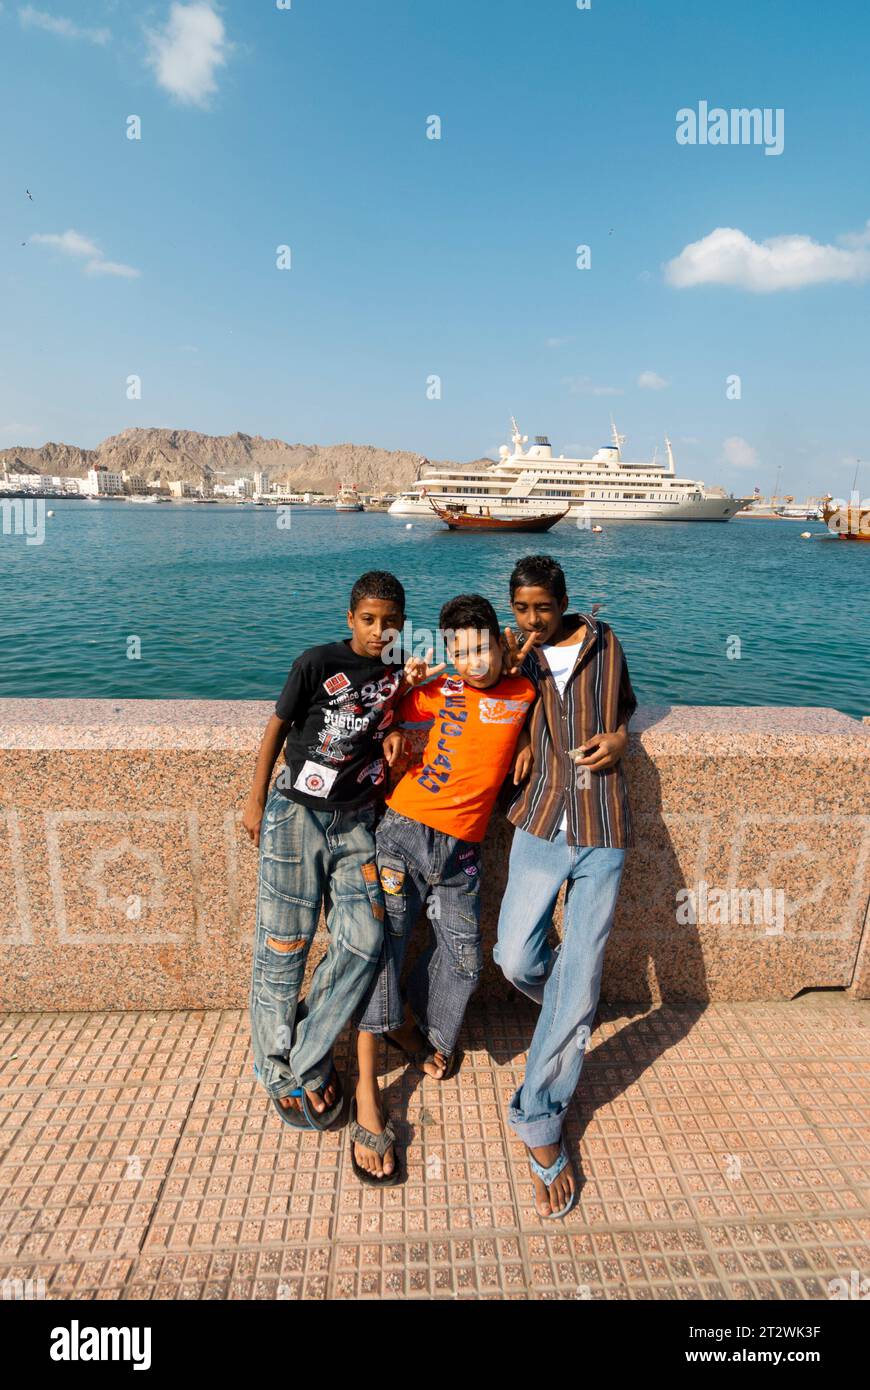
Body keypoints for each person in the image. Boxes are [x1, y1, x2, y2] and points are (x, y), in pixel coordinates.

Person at [349, 594, 536, 1183]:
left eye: (481, 648)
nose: (471, 661)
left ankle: (427, 1031)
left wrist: (529, 741)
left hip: (462, 852)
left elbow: (534, 692)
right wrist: (403, 697)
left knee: (464, 959)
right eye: (458, 652)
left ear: (501, 645)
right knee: (388, 948)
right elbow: (387, 714)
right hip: (403, 832)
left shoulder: (522, 694)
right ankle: (371, 1085)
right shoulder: (438, 689)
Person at [243, 570, 427, 1130]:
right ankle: (279, 1070)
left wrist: (395, 731)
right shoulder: (317, 662)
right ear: (350, 619)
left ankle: (302, 1056)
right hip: (296, 814)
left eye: (391, 622)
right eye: (369, 620)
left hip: (355, 825)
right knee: (283, 947)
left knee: (365, 938)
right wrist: (254, 802)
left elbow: (441, 689)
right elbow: (276, 727)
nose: (379, 632)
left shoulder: (401, 672)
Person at [495, 554, 636, 1218]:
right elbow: (480, 690)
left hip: (602, 823)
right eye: (521, 608)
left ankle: (541, 1121)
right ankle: (571, 1010)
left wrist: (619, 739)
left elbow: (624, 708)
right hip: (543, 817)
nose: (531, 620)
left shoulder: (607, 642)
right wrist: (524, 735)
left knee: (579, 977)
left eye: (541, 608)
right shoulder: (516, 656)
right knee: (515, 957)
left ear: (564, 601)